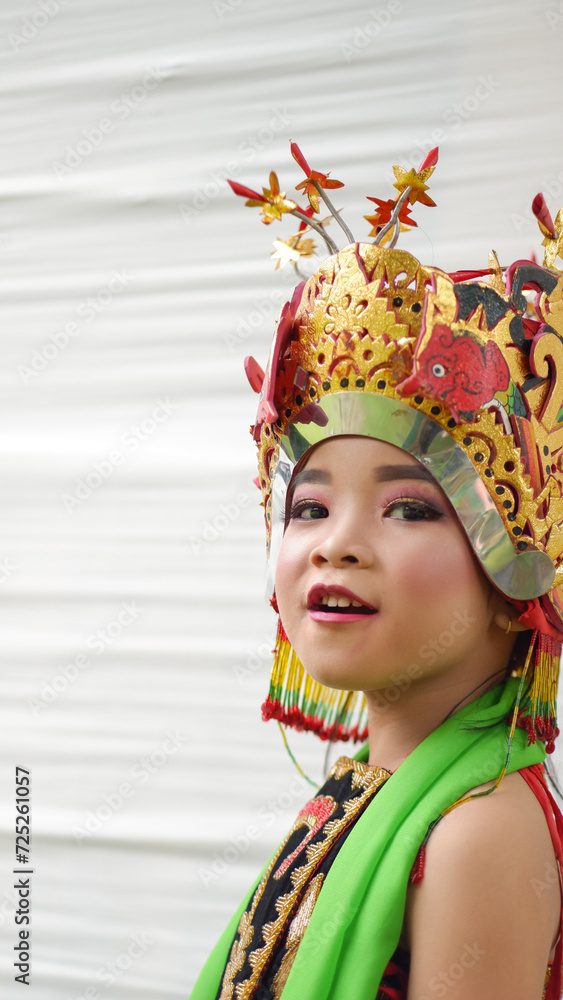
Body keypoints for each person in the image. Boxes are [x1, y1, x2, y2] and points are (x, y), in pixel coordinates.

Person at [190, 144, 563, 999]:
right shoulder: (364, 783)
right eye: (311, 508)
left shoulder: (478, 831)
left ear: (520, 591)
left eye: (409, 509)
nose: (336, 545)